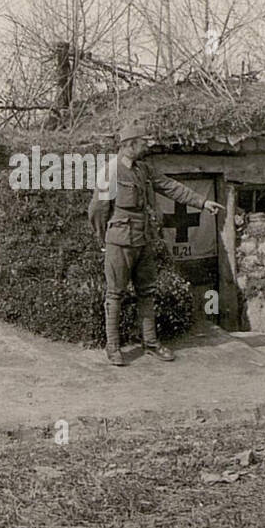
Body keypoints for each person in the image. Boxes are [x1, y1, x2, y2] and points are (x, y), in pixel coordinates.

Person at [87, 120, 224, 366]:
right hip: (119, 242)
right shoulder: (110, 171)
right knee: (115, 294)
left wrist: (202, 203)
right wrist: (104, 239)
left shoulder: (144, 170)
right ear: (129, 145)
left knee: (147, 292)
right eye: (142, 143)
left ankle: (150, 342)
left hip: (144, 240)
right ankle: (113, 347)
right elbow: (97, 209)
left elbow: (170, 187)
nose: (146, 146)